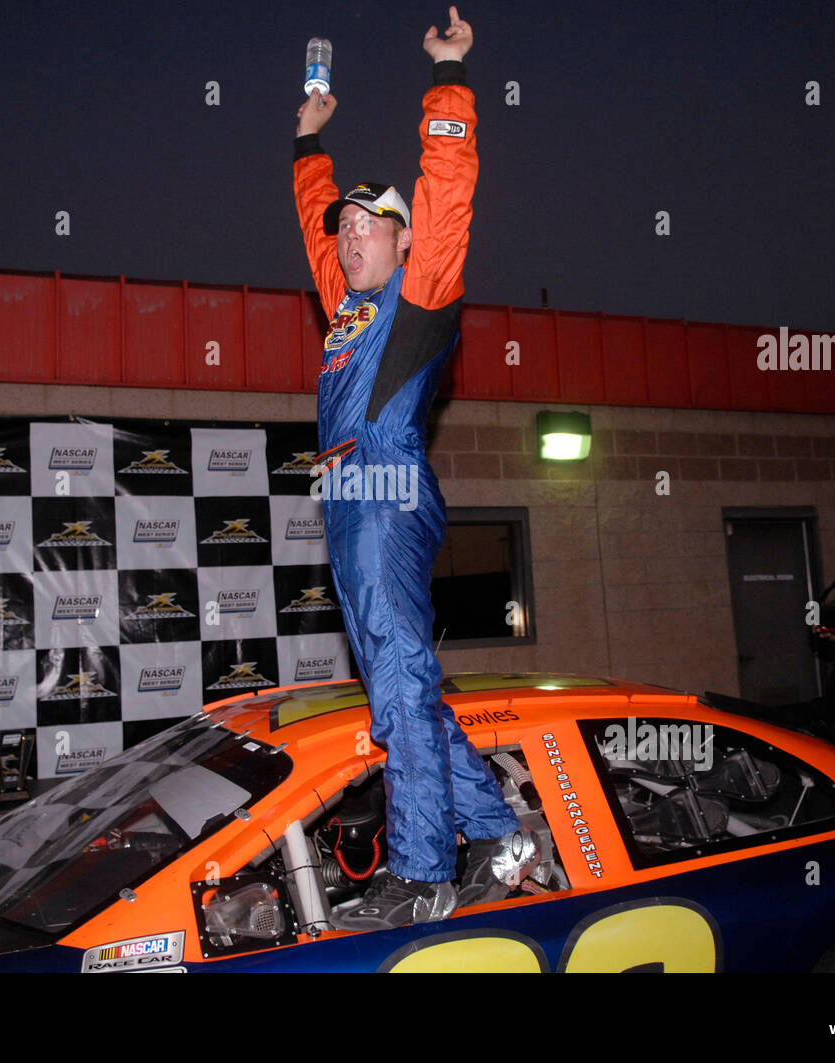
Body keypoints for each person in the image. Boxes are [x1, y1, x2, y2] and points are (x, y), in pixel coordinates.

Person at [292, 6, 538, 931]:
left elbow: (447, 182)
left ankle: (423, 870)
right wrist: (307, 143)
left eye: (370, 227)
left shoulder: (419, 288)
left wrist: (451, 77)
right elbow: (318, 238)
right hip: (348, 498)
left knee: (396, 680)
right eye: (346, 228)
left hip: (388, 490)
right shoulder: (347, 307)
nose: (353, 238)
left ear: (403, 243)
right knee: (404, 692)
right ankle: (501, 834)